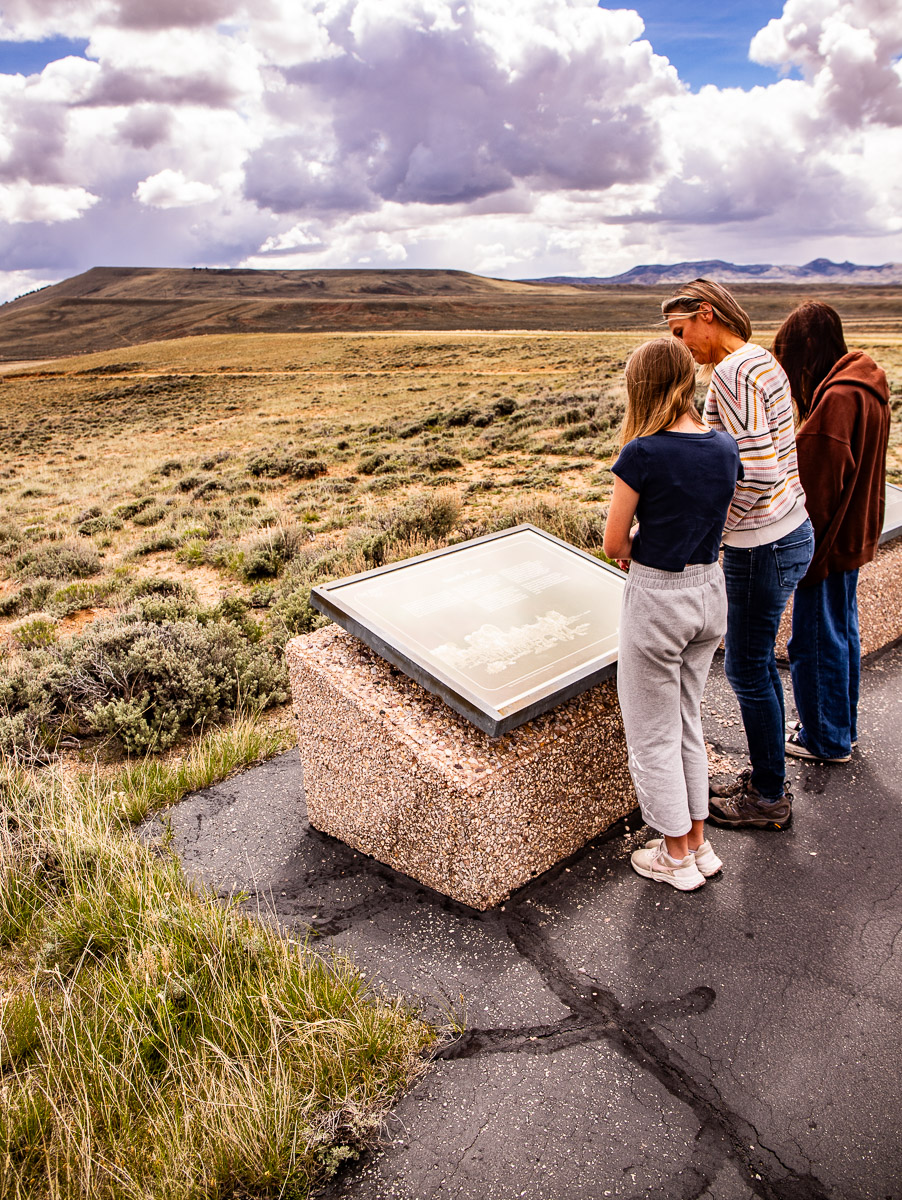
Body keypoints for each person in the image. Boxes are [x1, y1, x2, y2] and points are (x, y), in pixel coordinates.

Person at [662, 280, 814, 831]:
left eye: (683, 333)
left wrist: (716, 529)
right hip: (790, 528)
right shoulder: (760, 361)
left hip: (761, 542)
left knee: (748, 669)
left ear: (707, 314)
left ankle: (769, 798)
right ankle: (766, 777)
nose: (683, 348)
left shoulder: (729, 373)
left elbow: (758, 470)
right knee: (756, 666)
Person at [604, 338, 742, 890]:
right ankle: (700, 844)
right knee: (687, 720)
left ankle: (675, 857)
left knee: (651, 731)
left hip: (659, 598)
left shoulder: (641, 454)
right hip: (710, 592)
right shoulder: (724, 446)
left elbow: (615, 541)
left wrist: (642, 539)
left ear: (643, 386)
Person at [773, 302, 890, 764]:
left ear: (807, 347)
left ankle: (823, 739)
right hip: (855, 536)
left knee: (814, 642)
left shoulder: (836, 401)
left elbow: (816, 497)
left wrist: (802, 557)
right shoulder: (867, 385)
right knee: (842, 634)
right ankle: (842, 727)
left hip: (827, 545)